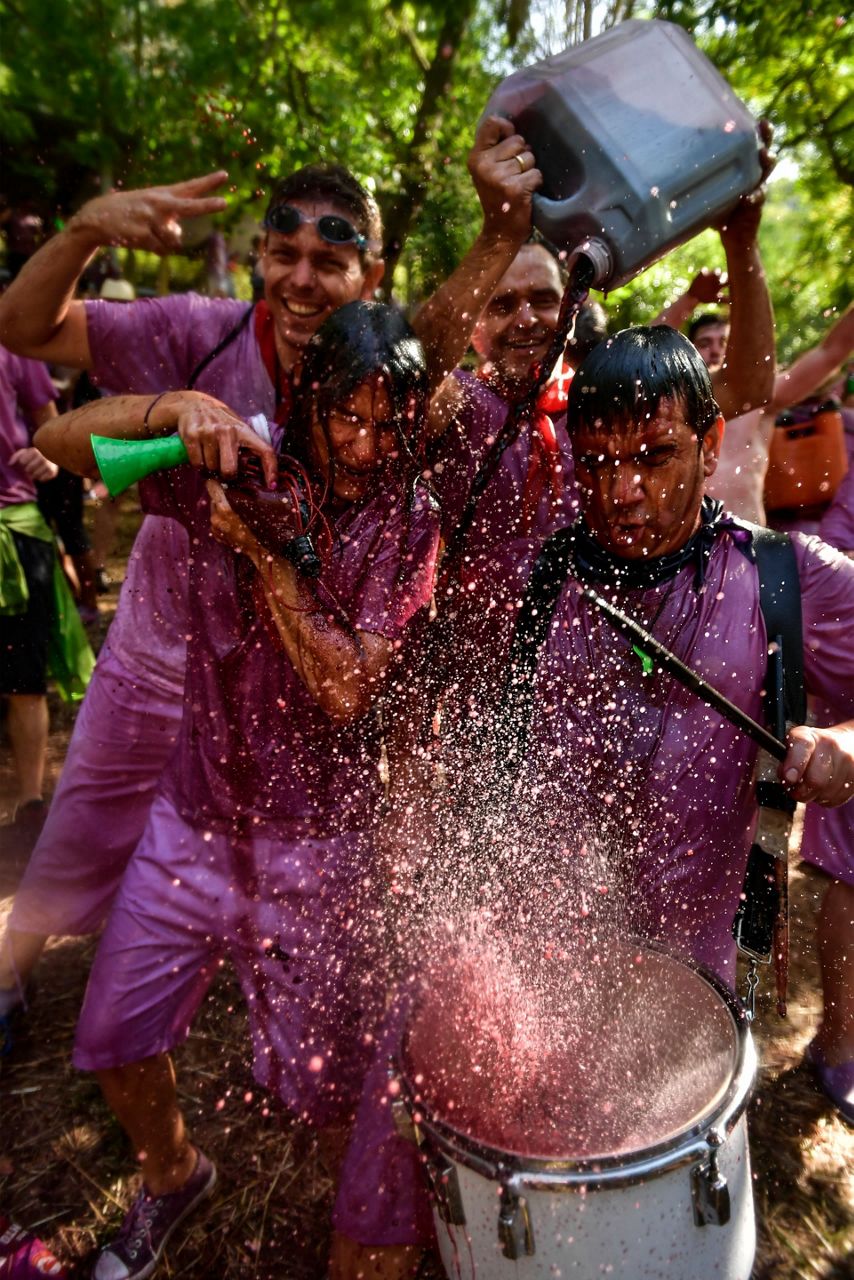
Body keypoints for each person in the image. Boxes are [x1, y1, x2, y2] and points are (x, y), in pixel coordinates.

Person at [340, 323, 854, 1242]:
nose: (623, 493)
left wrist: (847, 744)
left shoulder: (785, 579)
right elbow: (491, 770)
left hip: (697, 968)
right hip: (553, 963)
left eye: (656, 457)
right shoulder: (543, 579)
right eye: (600, 462)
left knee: (657, 1204)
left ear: (709, 444)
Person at [33, 300, 441, 1280]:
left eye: (392, 423)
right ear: (305, 398)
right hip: (192, 816)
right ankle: (173, 1174)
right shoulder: (238, 454)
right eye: (347, 414)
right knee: (109, 1038)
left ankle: (353, 1203)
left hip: (320, 847)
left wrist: (259, 552)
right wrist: (174, 406)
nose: (365, 443)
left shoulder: (410, 518)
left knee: (326, 1088)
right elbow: (56, 439)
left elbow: (346, 685)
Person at [0, 344, 93, 874]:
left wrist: (49, 456)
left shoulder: (14, 349)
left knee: (24, 682)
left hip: (15, 532)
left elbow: (52, 430)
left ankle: (31, 807)